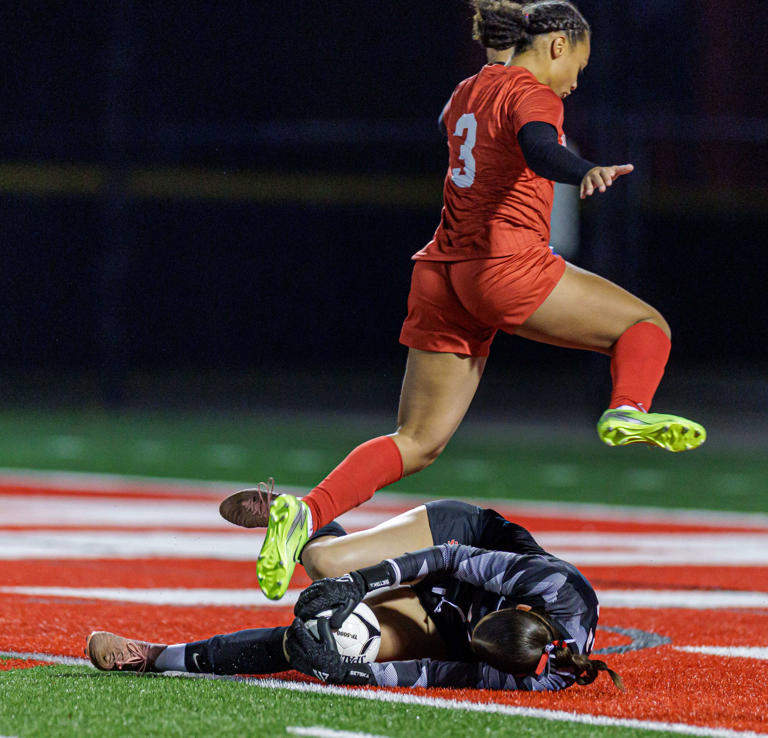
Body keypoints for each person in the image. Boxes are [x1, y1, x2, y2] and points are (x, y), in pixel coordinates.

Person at [252, 0, 706, 601]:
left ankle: (306, 514)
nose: (576, 80)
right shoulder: (535, 92)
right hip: (504, 265)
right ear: (555, 47)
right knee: (647, 326)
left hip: (443, 272)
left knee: (416, 441)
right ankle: (626, 409)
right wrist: (583, 169)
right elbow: (540, 146)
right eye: (579, 64)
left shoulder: (469, 89)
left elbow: (473, 124)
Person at [86, 500, 622, 692]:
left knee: (331, 643)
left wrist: (356, 674)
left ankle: (153, 658)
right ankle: (306, 520)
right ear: (525, 613)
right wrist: (362, 581)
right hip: (461, 541)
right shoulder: (559, 590)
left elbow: (439, 673)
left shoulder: (533, 676)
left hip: (452, 619)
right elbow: (452, 558)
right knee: (326, 566)